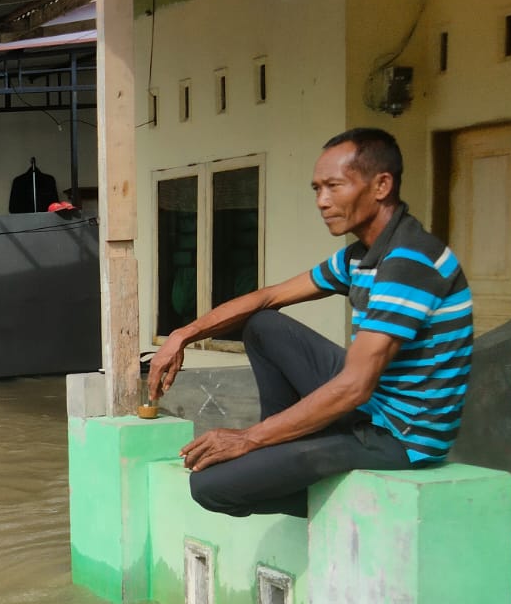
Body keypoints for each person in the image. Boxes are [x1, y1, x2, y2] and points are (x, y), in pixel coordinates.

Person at [147, 127, 472, 518]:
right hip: (372, 408)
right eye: (317, 189)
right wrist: (182, 335)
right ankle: (282, 446)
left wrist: (248, 439)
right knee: (263, 324)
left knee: (211, 487)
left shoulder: (409, 262)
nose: (322, 201)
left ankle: (345, 502)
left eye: (334, 186)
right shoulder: (360, 256)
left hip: (400, 437)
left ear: (381, 185)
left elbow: (354, 387)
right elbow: (267, 297)